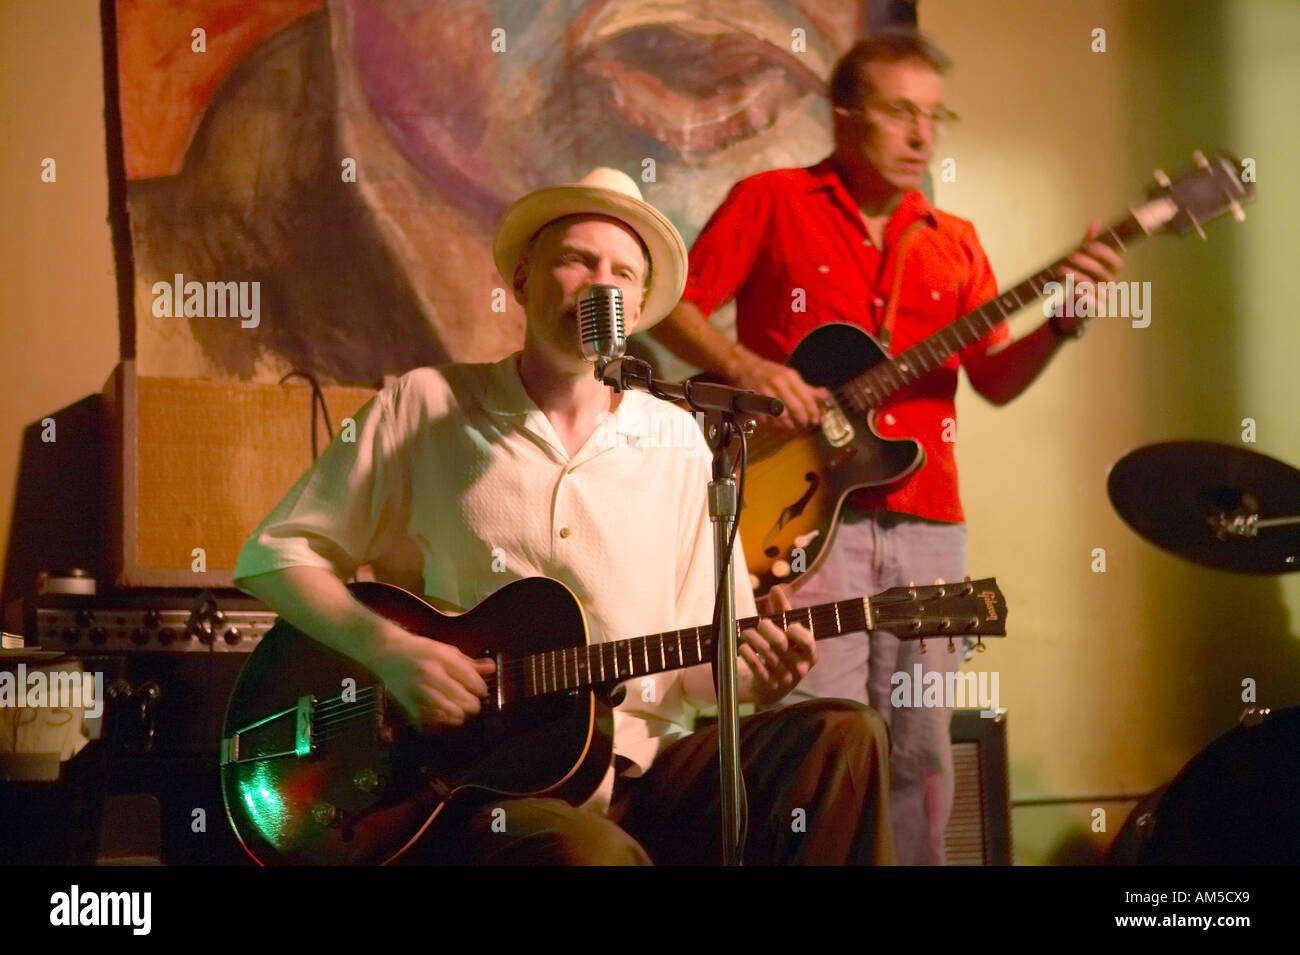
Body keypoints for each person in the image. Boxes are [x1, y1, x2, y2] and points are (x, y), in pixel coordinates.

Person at [232, 167, 895, 865]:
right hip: (484, 785)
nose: (598, 283)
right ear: (522, 281)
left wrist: (754, 675)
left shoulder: (679, 438)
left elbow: (699, 674)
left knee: (845, 737)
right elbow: (274, 555)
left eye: (621, 272)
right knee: (592, 856)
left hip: (644, 767)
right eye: (576, 260)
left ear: (635, 309)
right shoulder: (425, 405)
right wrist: (389, 651)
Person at [650, 31, 1125, 864]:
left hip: (929, 518)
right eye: (901, 112)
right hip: (796, 515)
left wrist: (1062, 321)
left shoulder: (954, 238)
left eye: (934, 117)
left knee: (922, 748)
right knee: (819, 741)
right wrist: (750, 365)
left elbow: (996, 379)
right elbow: (673, 304)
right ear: (844, 116)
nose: (921, 135)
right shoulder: (771, 198)